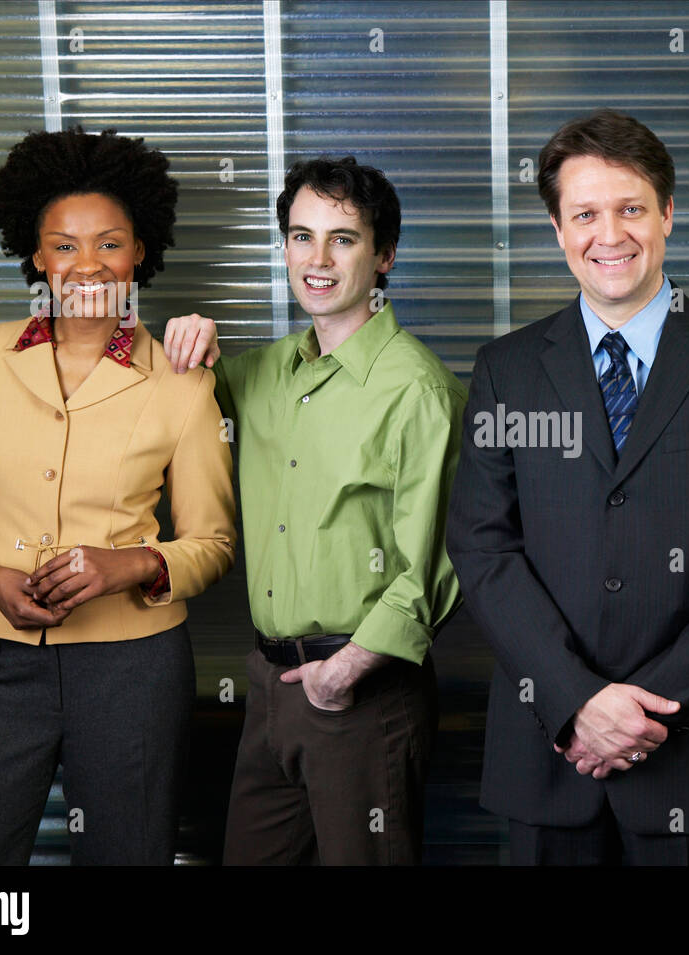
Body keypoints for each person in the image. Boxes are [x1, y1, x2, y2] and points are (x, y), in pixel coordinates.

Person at [444, 109, 689, 865]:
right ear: (557, 228)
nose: (608, 234)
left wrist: (644, 711)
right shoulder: (505, 370)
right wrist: (577, 699)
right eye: (585, 213)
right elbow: (482, 546)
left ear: (668, 214)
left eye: (630, 208)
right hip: (549, 751)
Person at [0, 127, 237, 865]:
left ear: (141, 249)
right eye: (64, 245)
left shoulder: (185, 381)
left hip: (134, 672)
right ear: (35, 254)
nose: (88, 266)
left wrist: (128, 566)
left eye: (110, 243)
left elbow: (212, 543)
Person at [163, 156, 466, 865]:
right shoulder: (261, 374)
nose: (317, 259)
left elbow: (437, 565)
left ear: (384, 254)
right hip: (269, 690)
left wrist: (346, 671)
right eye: (301, 236)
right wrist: (184, 340)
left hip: (360, 696)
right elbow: (164, 400)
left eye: (343, 238)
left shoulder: (418, 391)